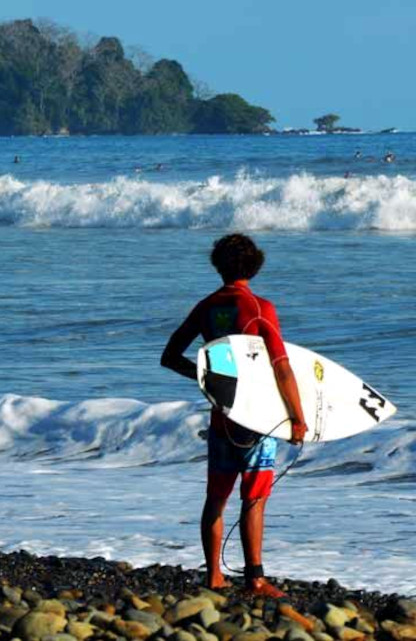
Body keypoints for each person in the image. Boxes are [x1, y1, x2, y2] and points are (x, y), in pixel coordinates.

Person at [161, 233, 307, 597]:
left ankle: (213, 575)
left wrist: (207, 378)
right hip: (256, 417)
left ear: (218, 265)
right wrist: (298, 417)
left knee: (216, 497)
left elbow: (170, 356)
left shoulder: (207, 306)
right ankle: (255, 579)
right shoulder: (259, 308)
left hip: (221, 413)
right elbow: (282, 367)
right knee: (254, 497)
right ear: (254, 265)